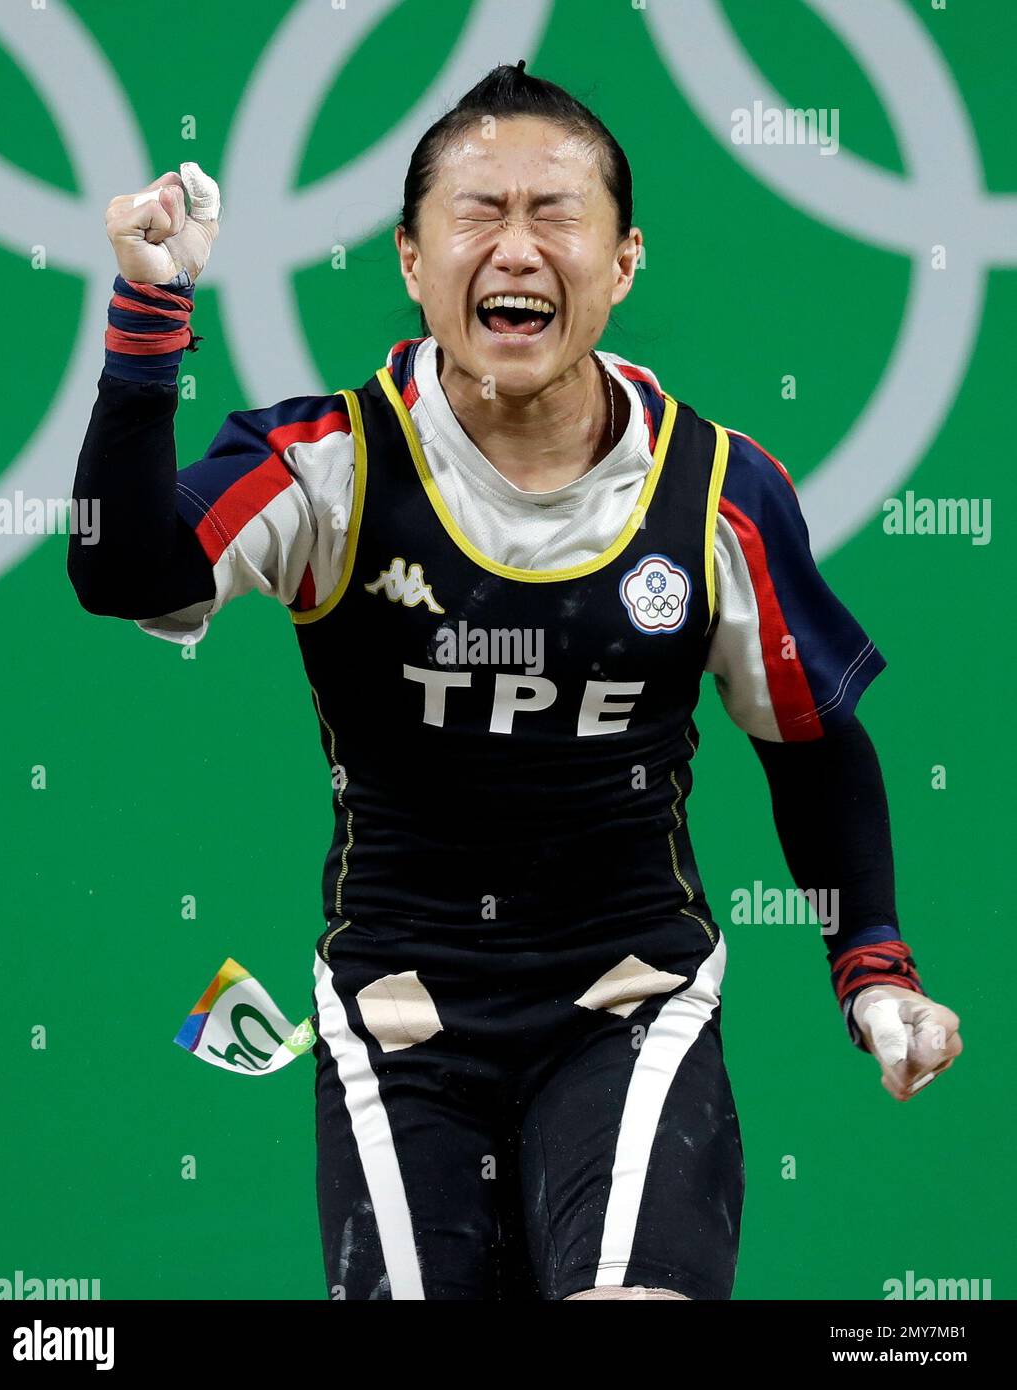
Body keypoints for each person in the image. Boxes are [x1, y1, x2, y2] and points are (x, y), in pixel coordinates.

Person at [70, 62, 962, 1302]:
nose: (517, 246)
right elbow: (120, 570)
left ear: (625, 260)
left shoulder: (717, 492)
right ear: (409, 259)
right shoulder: (323, 465)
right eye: (478, 212)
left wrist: (872, 962)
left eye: (557, 212)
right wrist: (147, 311)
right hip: (399, 1016)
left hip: (631, 999)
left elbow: (809, 742)